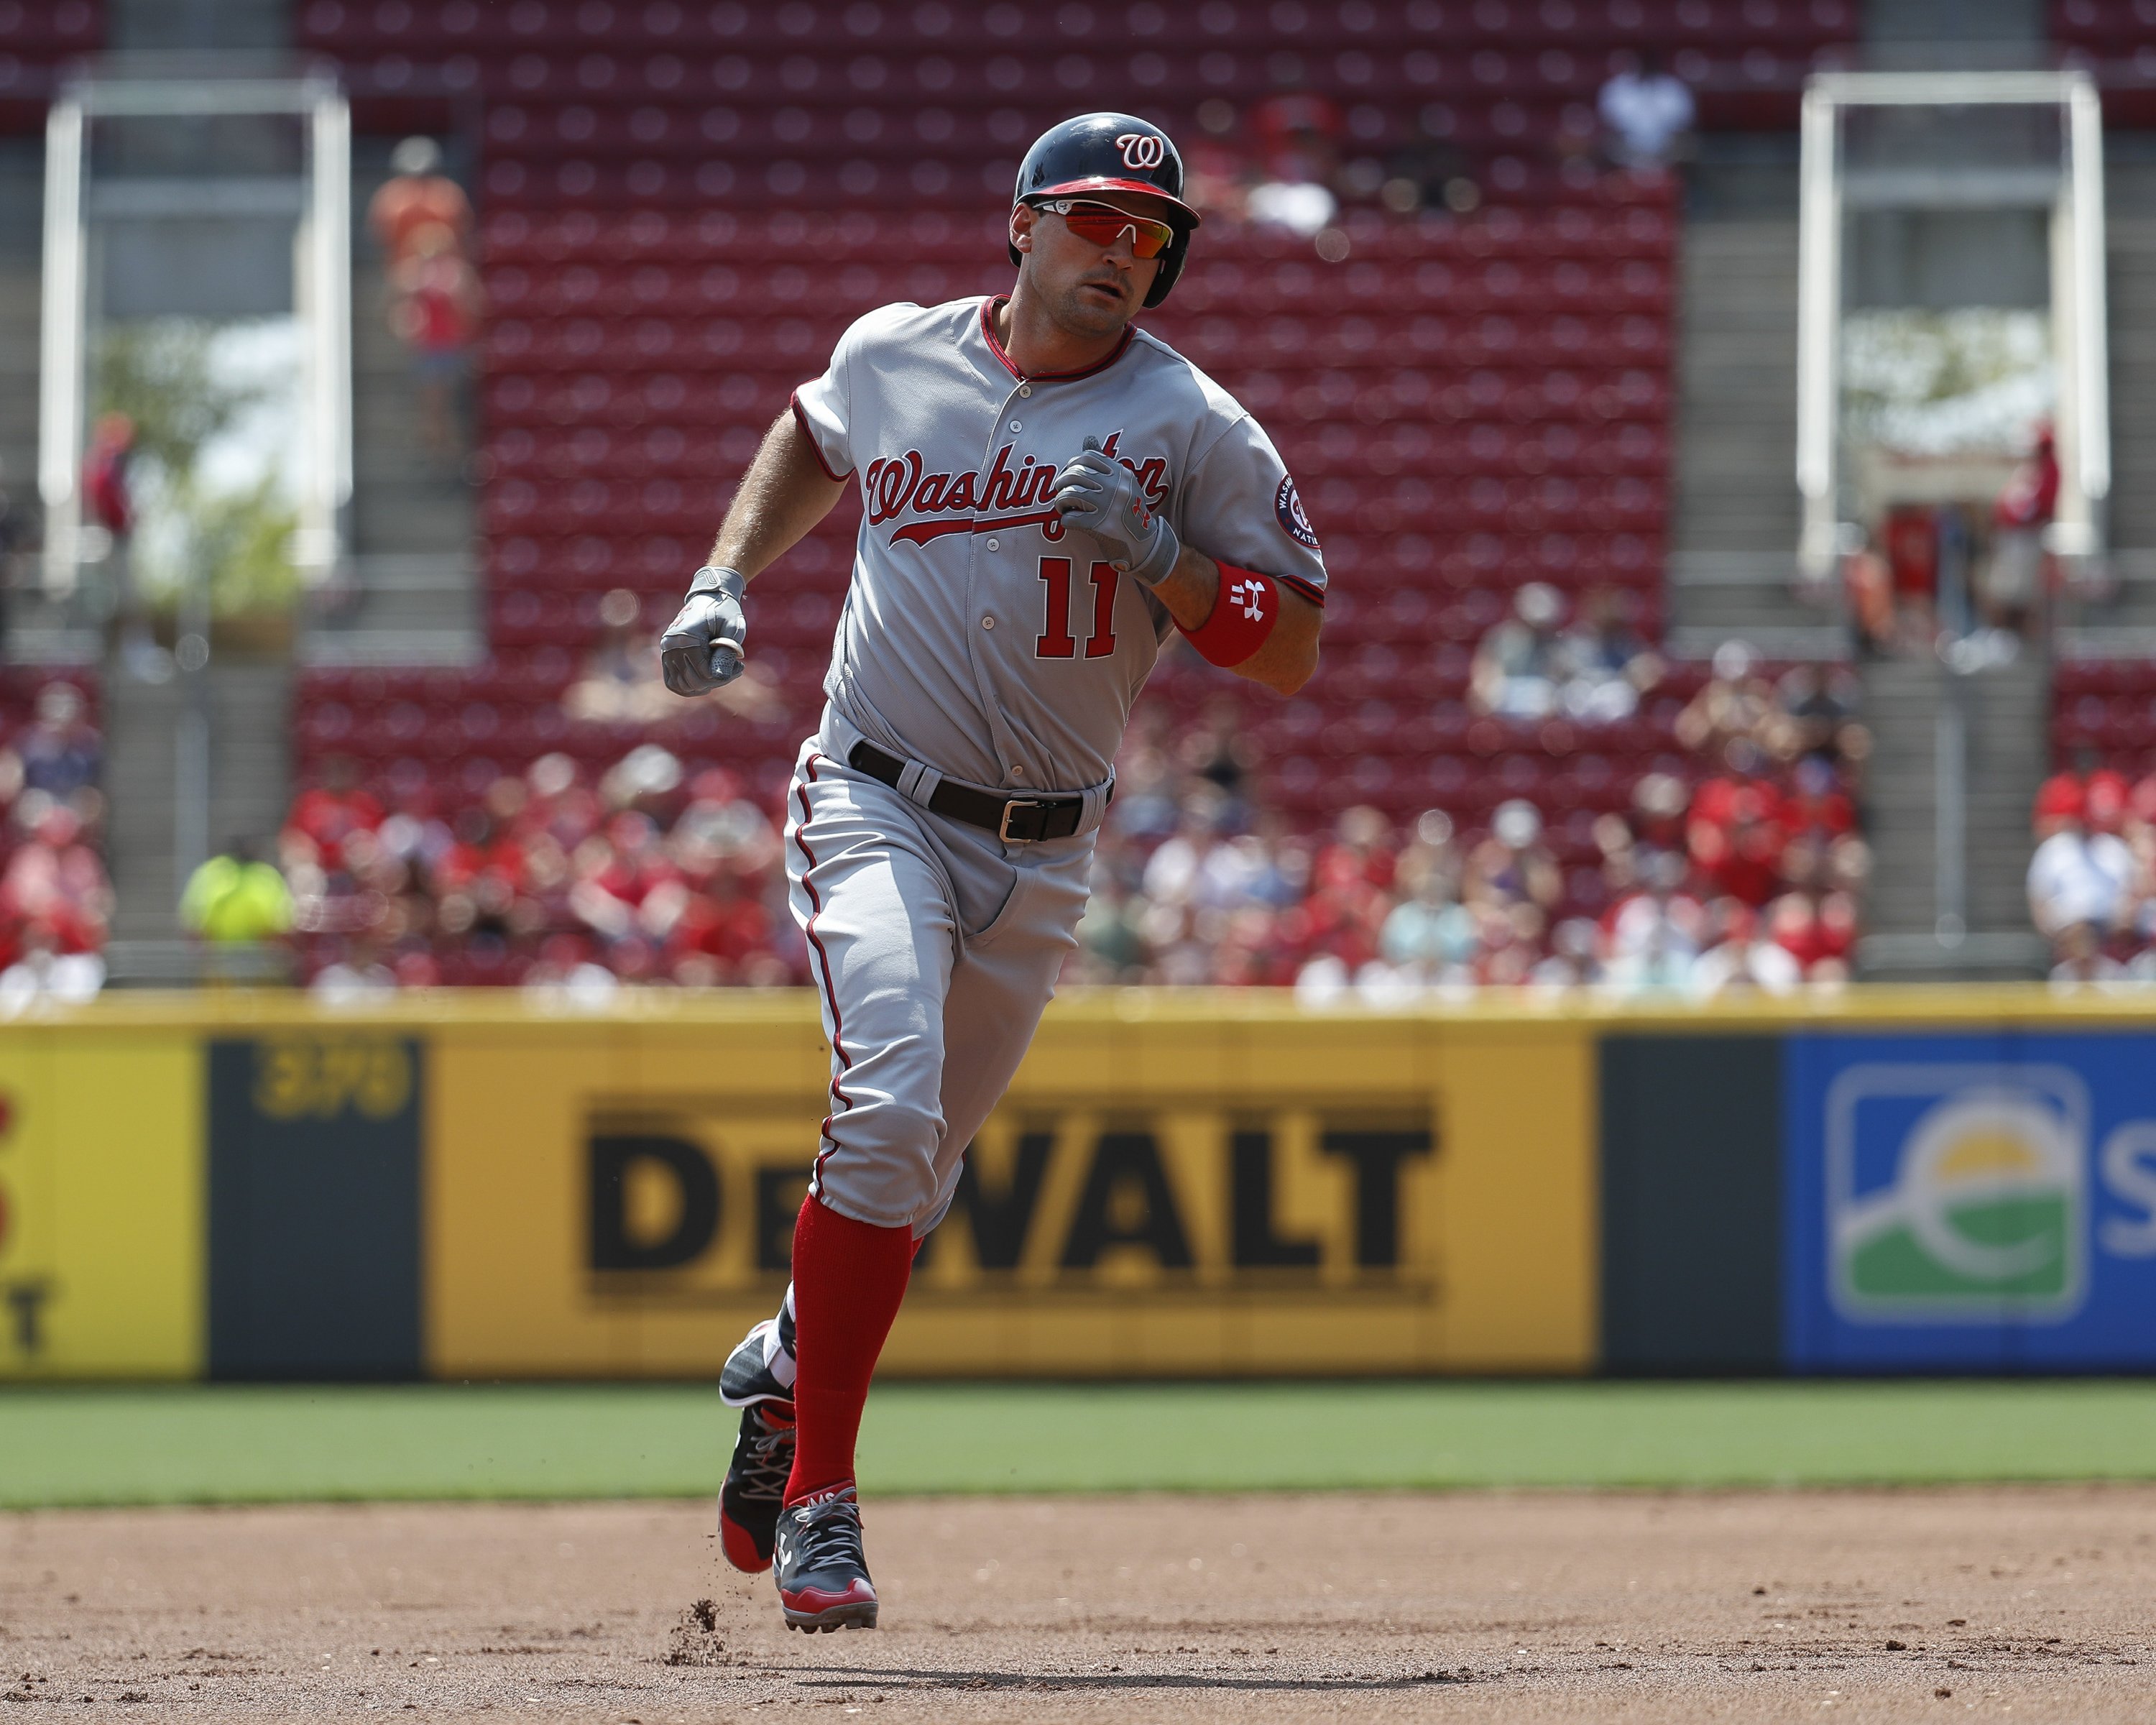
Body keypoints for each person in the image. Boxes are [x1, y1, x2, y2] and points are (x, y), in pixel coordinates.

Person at [656, 111, 1325, 1633]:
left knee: (914, 1177)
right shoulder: (897, 353)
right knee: (885, 1112)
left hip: (1045, 850)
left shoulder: (1193, 424)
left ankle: (783, 1373)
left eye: (1153, 236)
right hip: (873, 796)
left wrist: (1165, 554)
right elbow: (814, 433)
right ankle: (824, 1495)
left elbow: (1288, 646)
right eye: (1097, 220)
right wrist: (721, 576)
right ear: (1021, 225)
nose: (1126, 251)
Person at [180, 837, 294, 947]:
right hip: (222, 955)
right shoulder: (266, 875)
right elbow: (194, 920)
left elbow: (283, 923)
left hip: (257, 955)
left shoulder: (265, 875)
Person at [1598, 50, 1695, 170]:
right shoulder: (1616, 88)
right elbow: (1610, 124)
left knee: (1686, 144)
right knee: (1610, 143)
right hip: (1626, 148)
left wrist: (1660, 154)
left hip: (1666, 150)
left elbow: (1682, 126)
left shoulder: (1674, 88)